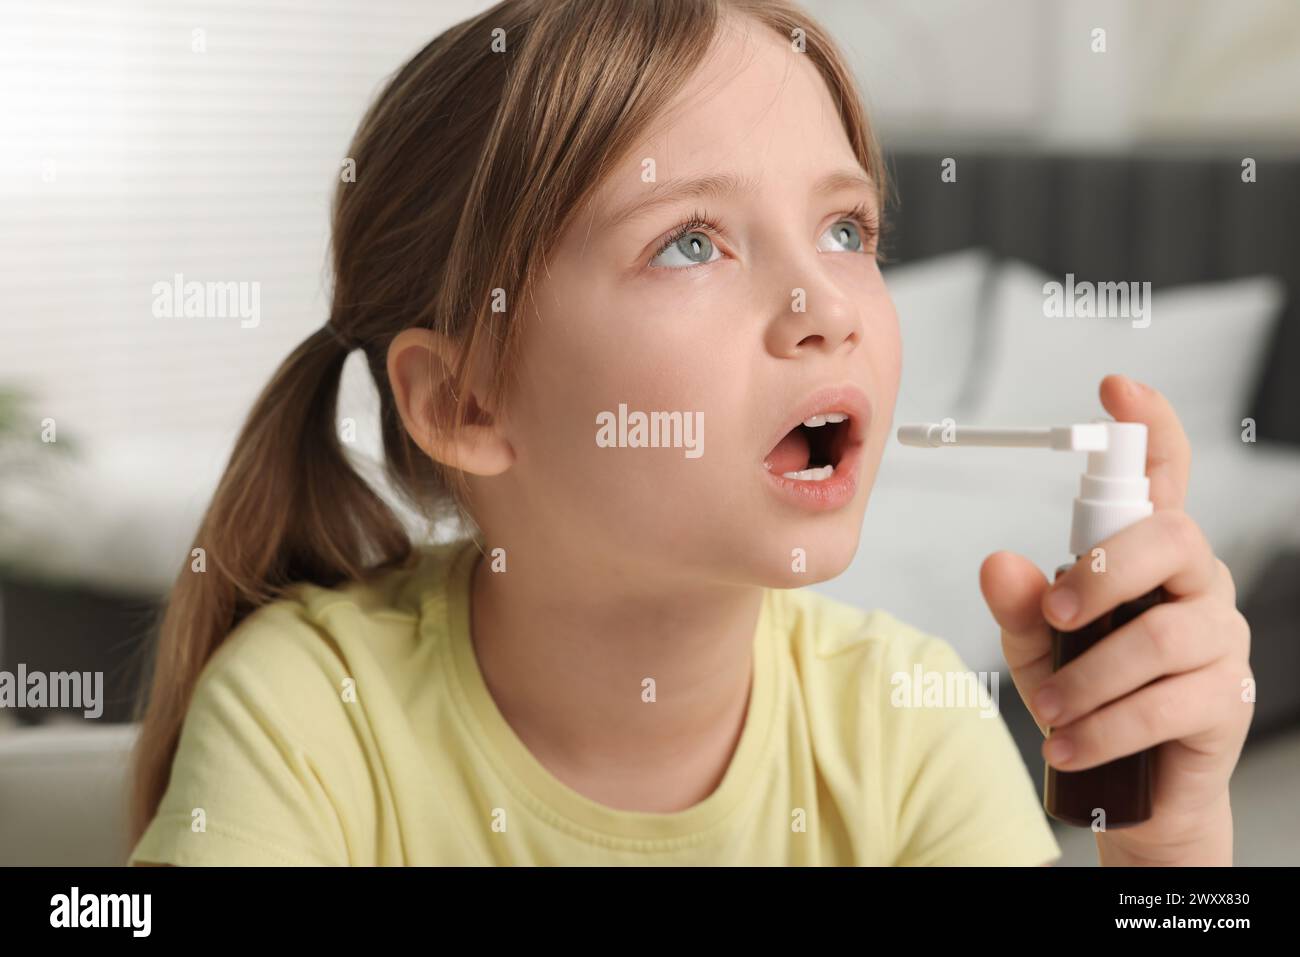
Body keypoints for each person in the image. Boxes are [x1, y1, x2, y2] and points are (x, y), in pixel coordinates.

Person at [128, 0, 1251, 866]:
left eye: (845, 227)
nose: (828, 309)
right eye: (691, 243)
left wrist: (1167, 848)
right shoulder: (312, 717)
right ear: (463, 402)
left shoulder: (910, 732)